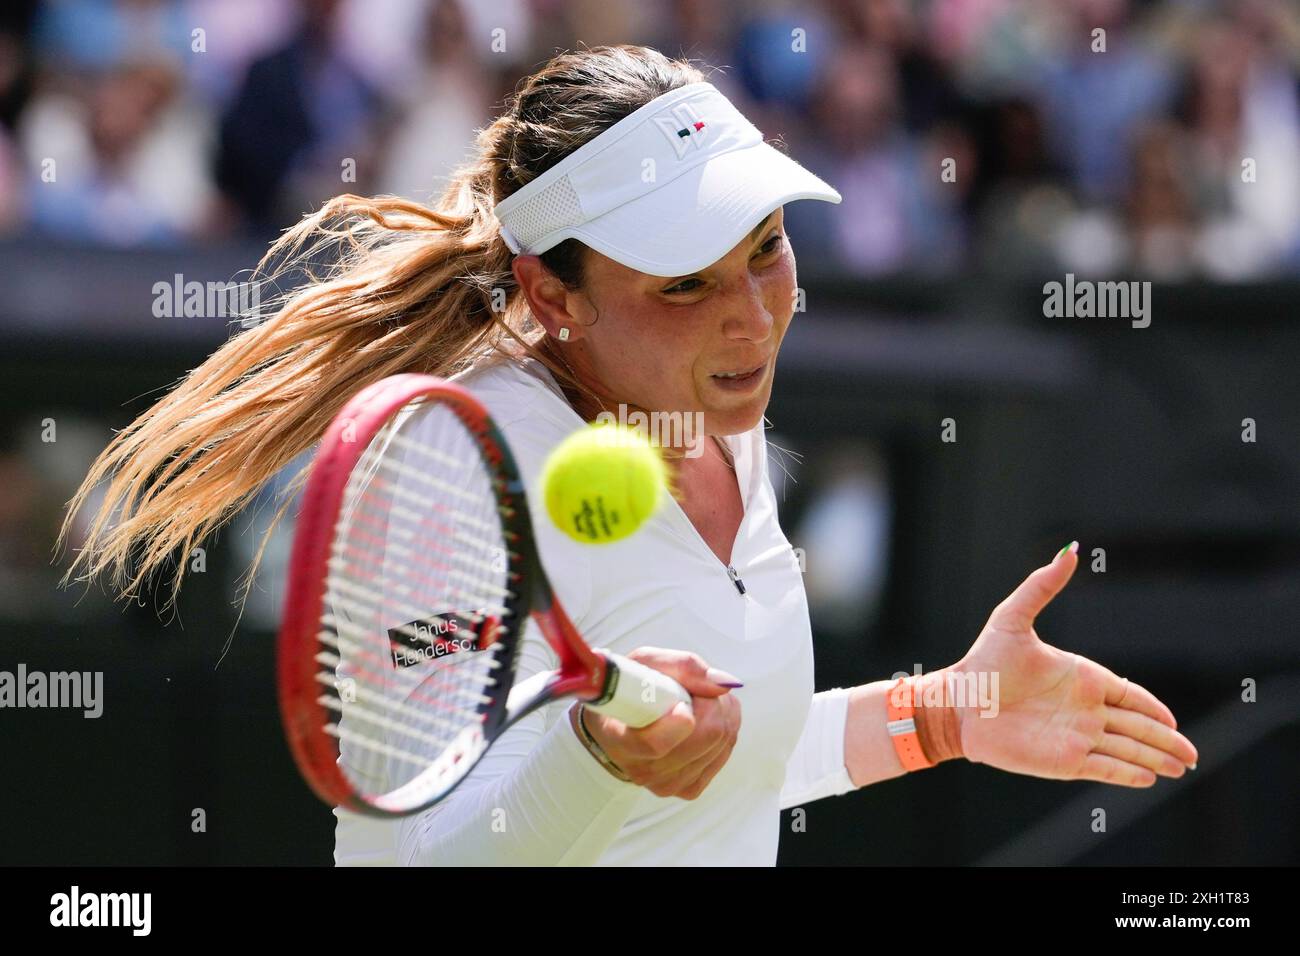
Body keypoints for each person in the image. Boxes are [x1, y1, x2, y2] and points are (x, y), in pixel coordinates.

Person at [57, 45, 1197, 866]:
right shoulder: (447, 474)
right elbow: (414, 857)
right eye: (685, 282)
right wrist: (598, 765)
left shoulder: (712, 416)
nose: (751, 316)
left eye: (766, 248)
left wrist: (940, 714)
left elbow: (719, 769)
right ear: (554, 293)